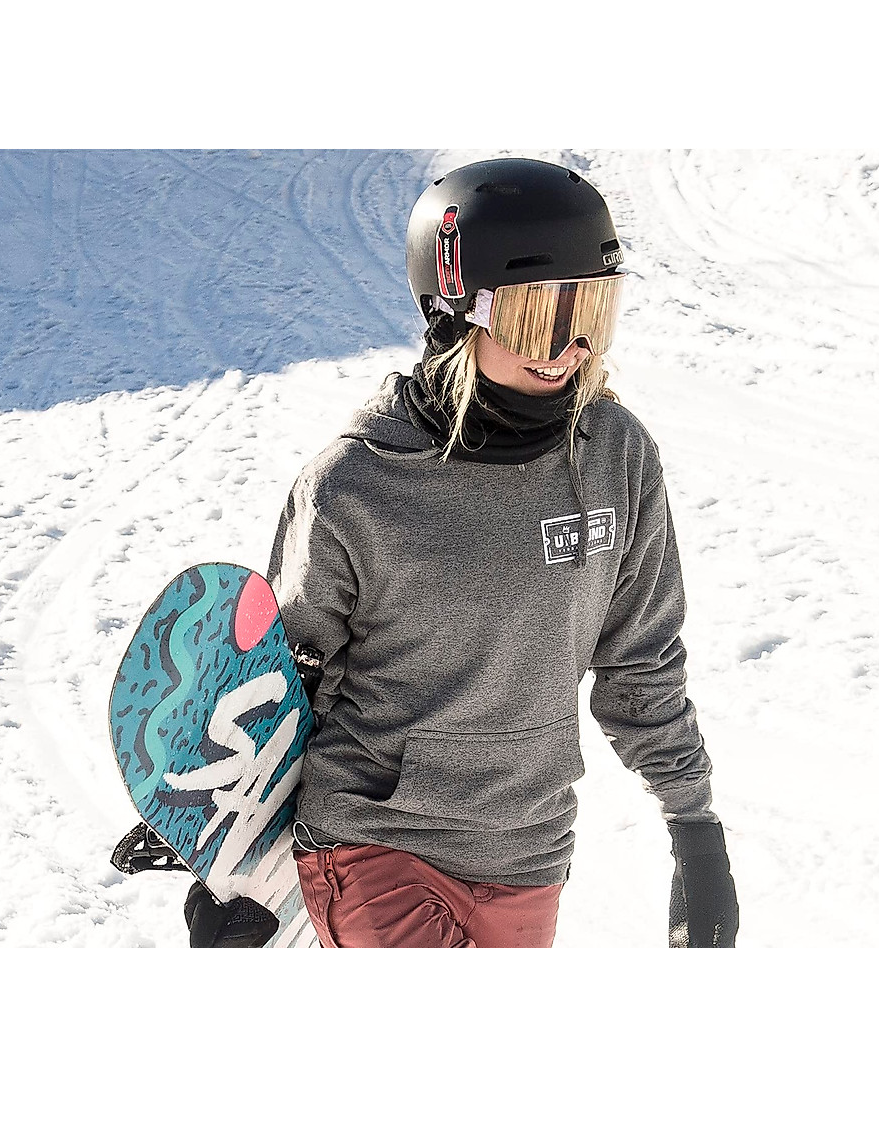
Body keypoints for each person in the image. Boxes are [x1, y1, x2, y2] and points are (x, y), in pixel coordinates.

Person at [185, 157, 739, 948]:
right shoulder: (357, 486)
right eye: (536, 318)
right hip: (376, 838)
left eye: (591, 311)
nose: (569, 346)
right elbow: (286, 679)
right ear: (453, 312)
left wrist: (696, 832)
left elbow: (640, 661)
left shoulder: (615, 457)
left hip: (528, 850)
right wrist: (221, 852)